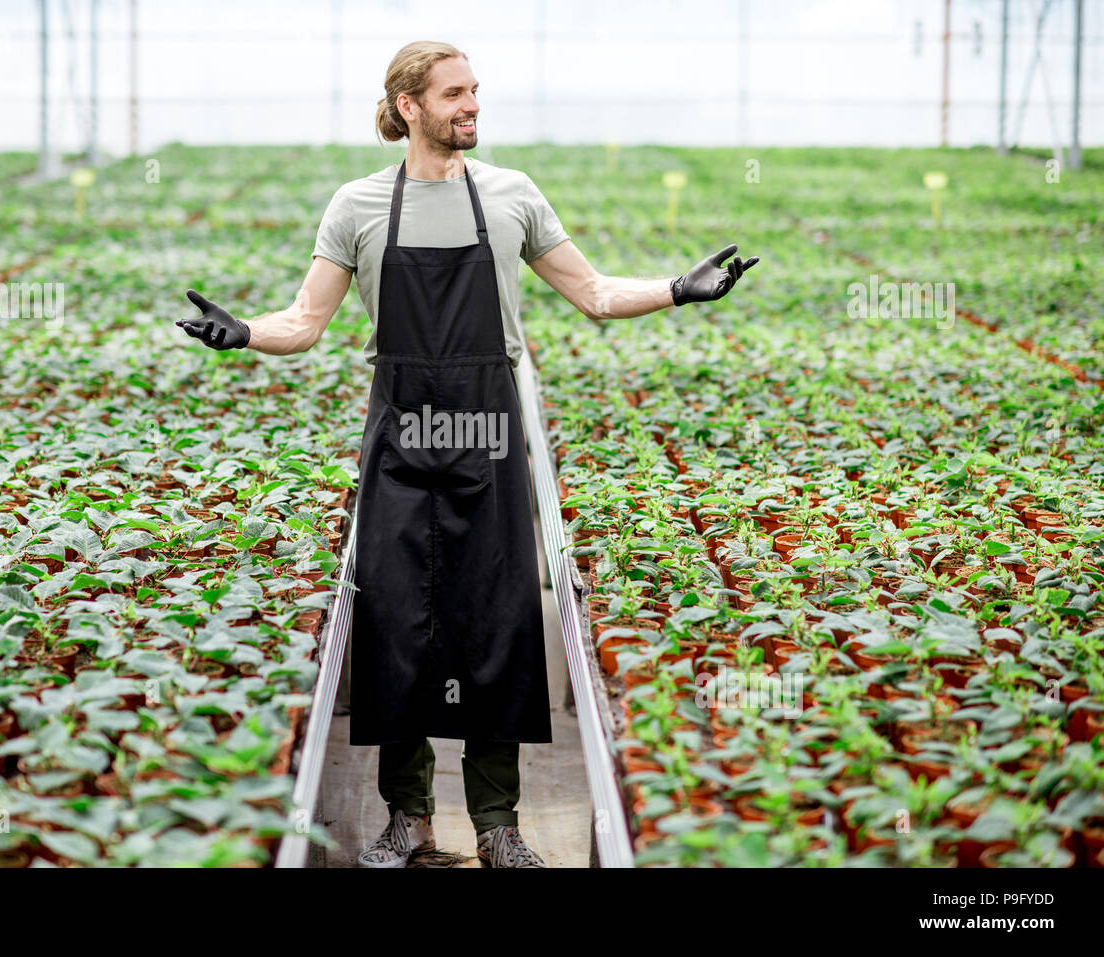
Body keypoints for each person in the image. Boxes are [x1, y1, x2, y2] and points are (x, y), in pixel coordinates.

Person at [176, 40, 759, 869]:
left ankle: (497, 825)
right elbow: (305, 322)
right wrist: (242, 333)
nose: (472, 105)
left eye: (475, 91)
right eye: (454, 94)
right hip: (401, 440)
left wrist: (675, 289)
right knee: (395, 622)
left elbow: (592, 292)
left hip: (489, 438)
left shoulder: (512, 195)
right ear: (409, 105)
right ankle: (407, 818)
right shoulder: (358, 205)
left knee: (499, 620)